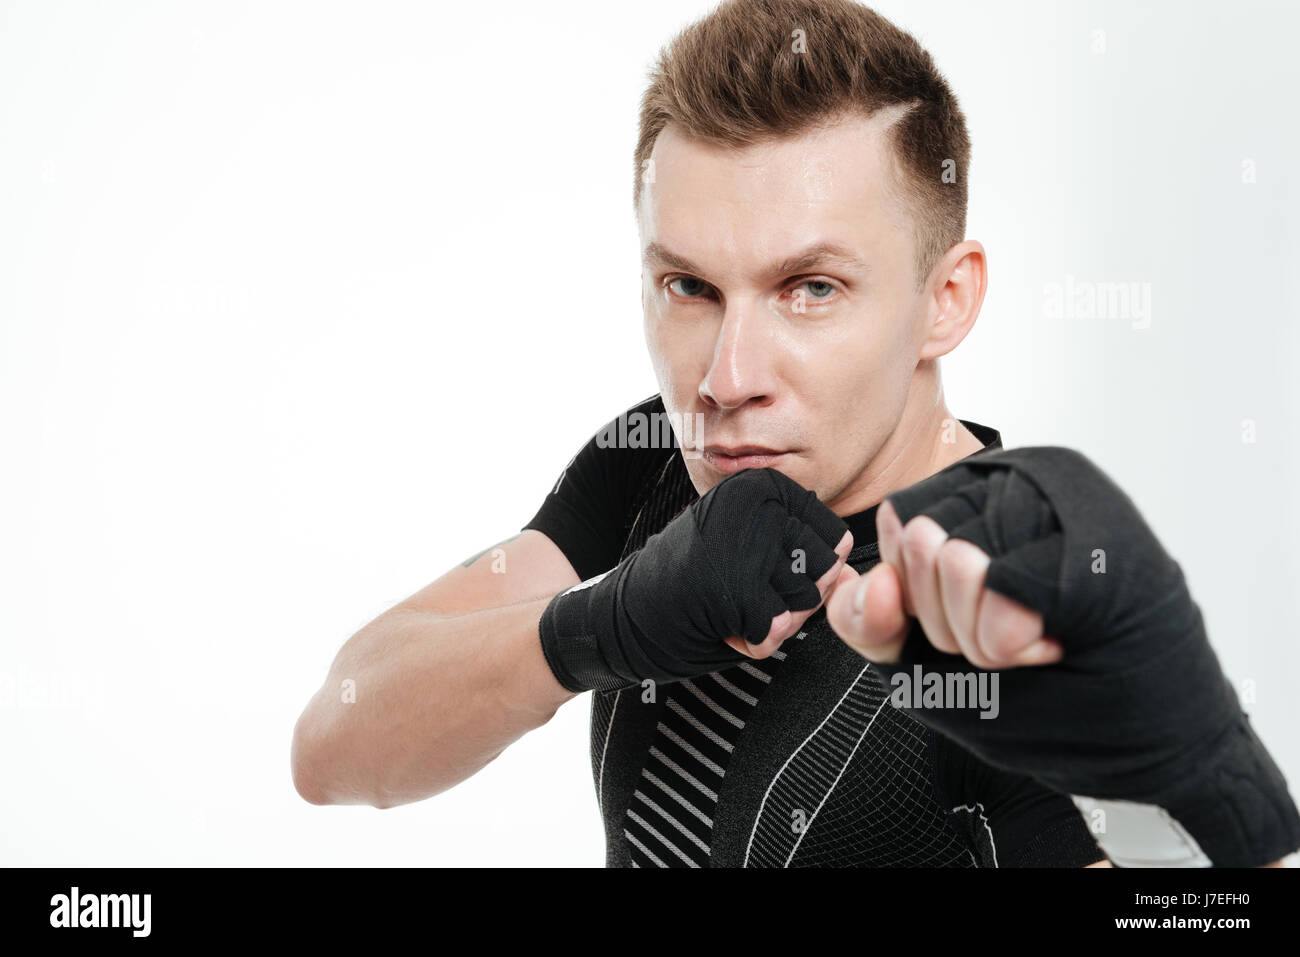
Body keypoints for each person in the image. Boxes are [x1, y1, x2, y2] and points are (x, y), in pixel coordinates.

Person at [290, 0, 1299, 868]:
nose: (726, 381)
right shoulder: (654, 464)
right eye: (688, 286)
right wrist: (597, 628)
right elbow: (331, 745)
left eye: (809, 289)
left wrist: (1209, 785)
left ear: (947, 299)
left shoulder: (984, 593)